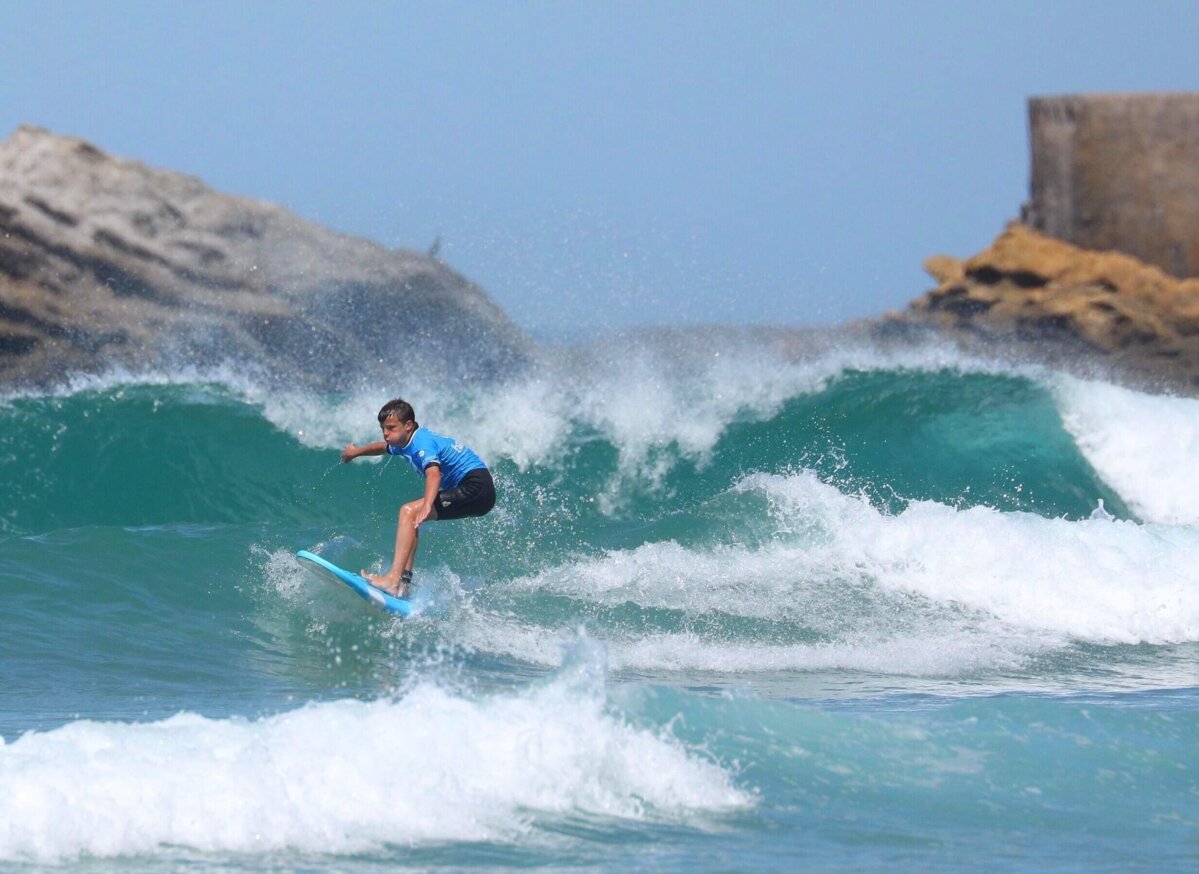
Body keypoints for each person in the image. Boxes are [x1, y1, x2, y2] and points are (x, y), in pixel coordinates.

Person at [341, 398, 495, 597]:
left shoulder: (421, 442)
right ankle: (402, 585)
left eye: (390, 428)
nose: (386, 433)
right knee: (411, 517)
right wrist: (355, 452)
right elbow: (382, 448)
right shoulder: (403, 441)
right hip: (476, 488)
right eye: (383, 428)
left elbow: (434, 474)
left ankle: (392, 580)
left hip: (477, 487)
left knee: (408, 511)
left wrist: (427, 505)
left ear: (408, 425)